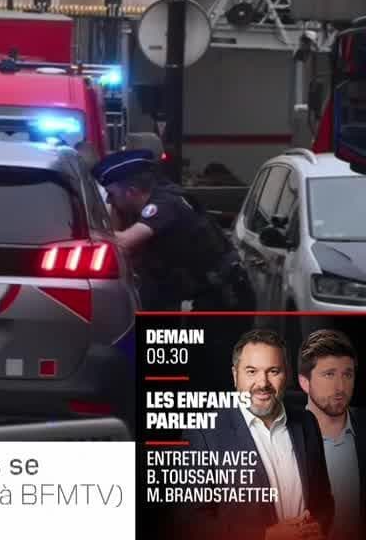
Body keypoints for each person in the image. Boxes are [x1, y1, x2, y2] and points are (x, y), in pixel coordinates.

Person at [182, 329, 334, 540]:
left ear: (287, 374)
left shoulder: (307, 423)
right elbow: (191, 523)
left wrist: (318, 527)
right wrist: (266, 536)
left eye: (273, 371)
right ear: (235, 375)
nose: (263, 383)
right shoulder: (204, 433)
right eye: (251, 371)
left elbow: (324, 501)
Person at [93, 148, 254, 311]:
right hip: (208, 293)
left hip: (224, 298)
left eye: (111, 193)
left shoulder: (164, 204)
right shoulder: (157, 197)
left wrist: (87, 233)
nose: (108, 199)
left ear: (131, 192)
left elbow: (123, 243)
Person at [299, 329, 364, 540]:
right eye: (329, 374)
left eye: (347, 374)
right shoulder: (285, 437)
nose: (340, 387)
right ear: (304, 382)